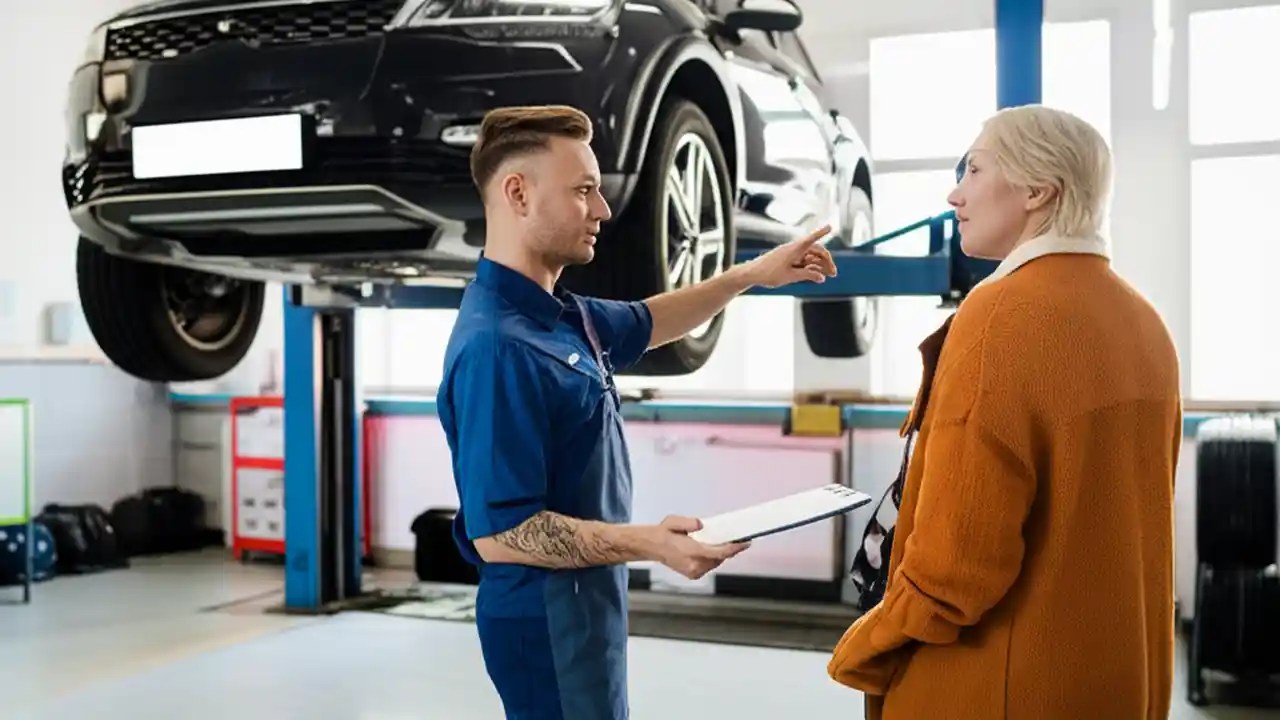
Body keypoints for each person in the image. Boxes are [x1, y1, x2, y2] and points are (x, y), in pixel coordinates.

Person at [436, 104, 838, 720]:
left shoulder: (561, 315)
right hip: (546, 622)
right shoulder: (498, 346)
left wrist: (750, 275)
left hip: (585, 604)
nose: (601, 209)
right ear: (518, 193)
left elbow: (653, 321)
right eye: (584, 191)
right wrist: (650, 543)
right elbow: (502, 534)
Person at [827, 104, 1183, 720]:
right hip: (1114, 679)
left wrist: (867, 647)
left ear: (1037, 190)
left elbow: (956, 564)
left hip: (997, 686)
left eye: (974, 169)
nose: (954, 192)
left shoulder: (998, 317)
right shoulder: (1144, 322)